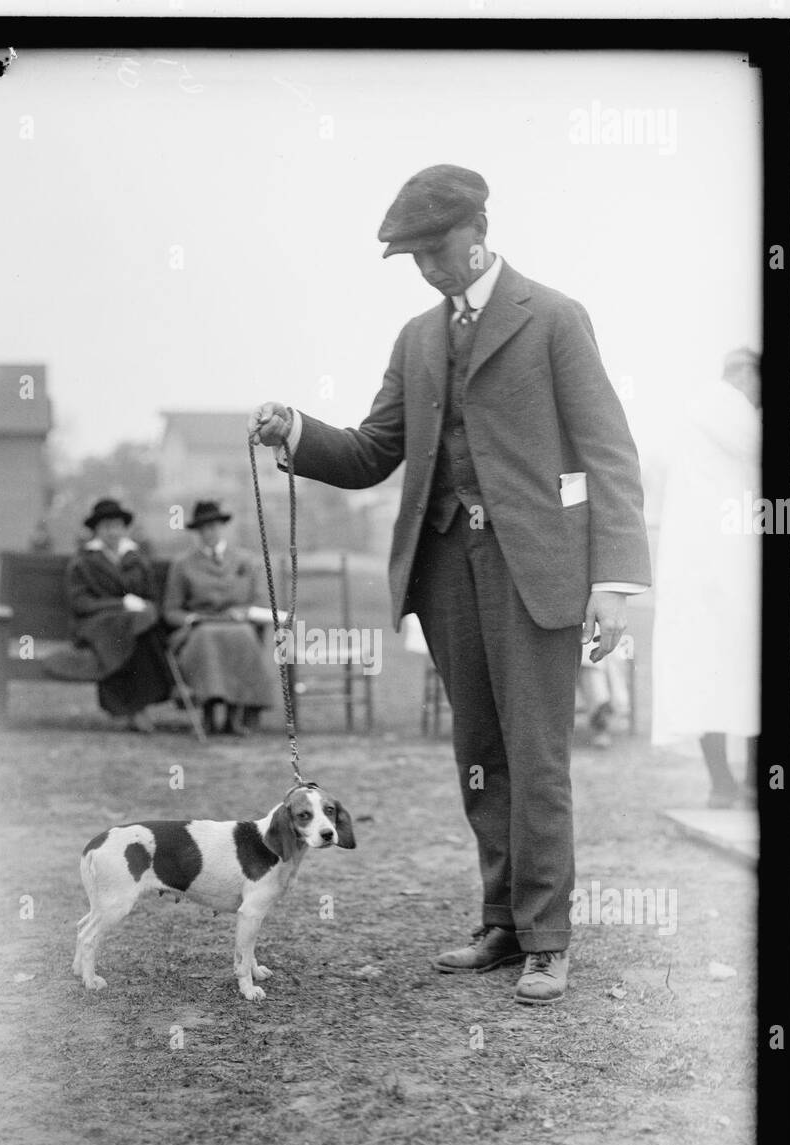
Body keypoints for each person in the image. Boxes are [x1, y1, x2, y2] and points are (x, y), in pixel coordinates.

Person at [250, 164, 651, 1004]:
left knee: (535, 757)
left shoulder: (554, 319)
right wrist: (297, 431)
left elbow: (608, 452)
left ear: (478, 231)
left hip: (534, 571)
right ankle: (503, 923)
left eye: (436, 249)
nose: (428, 268)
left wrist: (613, 581)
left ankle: (547, 940)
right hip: (444, 572)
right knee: (481, 756)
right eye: (414, 258)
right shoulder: (416, 339)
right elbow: (372, 452)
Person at [651, 348, 761, 806]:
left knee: (707, 674)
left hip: (696, 568)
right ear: (745, 375)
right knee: (739, 669)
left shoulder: (695, 413)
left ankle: (726, 783)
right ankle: (743, 783)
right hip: (725, 567)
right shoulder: (726, 407)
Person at [163, 500, 275, 736]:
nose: (208, 533)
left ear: (221, 527)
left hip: (238, 623)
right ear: (196, 532)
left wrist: (243, 612)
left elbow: (259, 601)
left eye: (213, 527)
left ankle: (235, 715)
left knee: (242, 635)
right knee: (206, 638)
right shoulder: (183, 564)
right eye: (203, 529)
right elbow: (171, 610)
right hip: (200, 627)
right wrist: (191, 618)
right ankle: (208, 714)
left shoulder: (244, 560)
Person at [65, 497, 172, 733]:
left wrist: (142, 606)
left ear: (124, 529)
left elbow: (151, 597)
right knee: (127, 631)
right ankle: (133, 708)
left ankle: (135, 706)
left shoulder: (136, 559)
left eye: (117, 526)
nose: (113, 532)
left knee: (142, 627)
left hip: (134, 625)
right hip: (96, 625)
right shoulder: (83, 561)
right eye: (106, 526)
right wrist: (121, 604)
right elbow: (80, 603)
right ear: (96, 530)